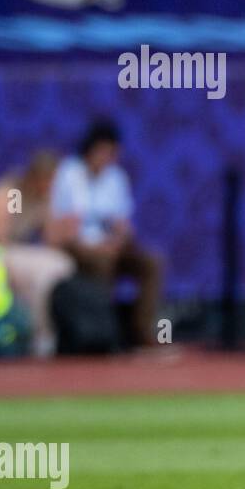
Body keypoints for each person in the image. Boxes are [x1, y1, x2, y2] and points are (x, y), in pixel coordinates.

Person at [48, 120, 163, 348]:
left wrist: (117, 242)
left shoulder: (116, 177)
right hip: (80, 247)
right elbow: (65, 227)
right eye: (105, 151)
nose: (108, 157)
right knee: (103, 261)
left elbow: (123, 225)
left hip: (111, 247)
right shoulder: (69, 174)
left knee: (152, 262)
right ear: (91, 149)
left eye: (112, 152)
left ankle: (142, 333)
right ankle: (105, 333)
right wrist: (96, 247)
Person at [0, 150, 74, 356]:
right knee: (43, 273)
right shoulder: (13, 193)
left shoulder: (42, 197)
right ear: (36, 177)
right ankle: (38, 337)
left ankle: (46, 333)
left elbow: (50, 238)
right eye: (48, 180)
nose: (51, 186)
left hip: (12, 251)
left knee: (61, 264)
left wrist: (65, 224)